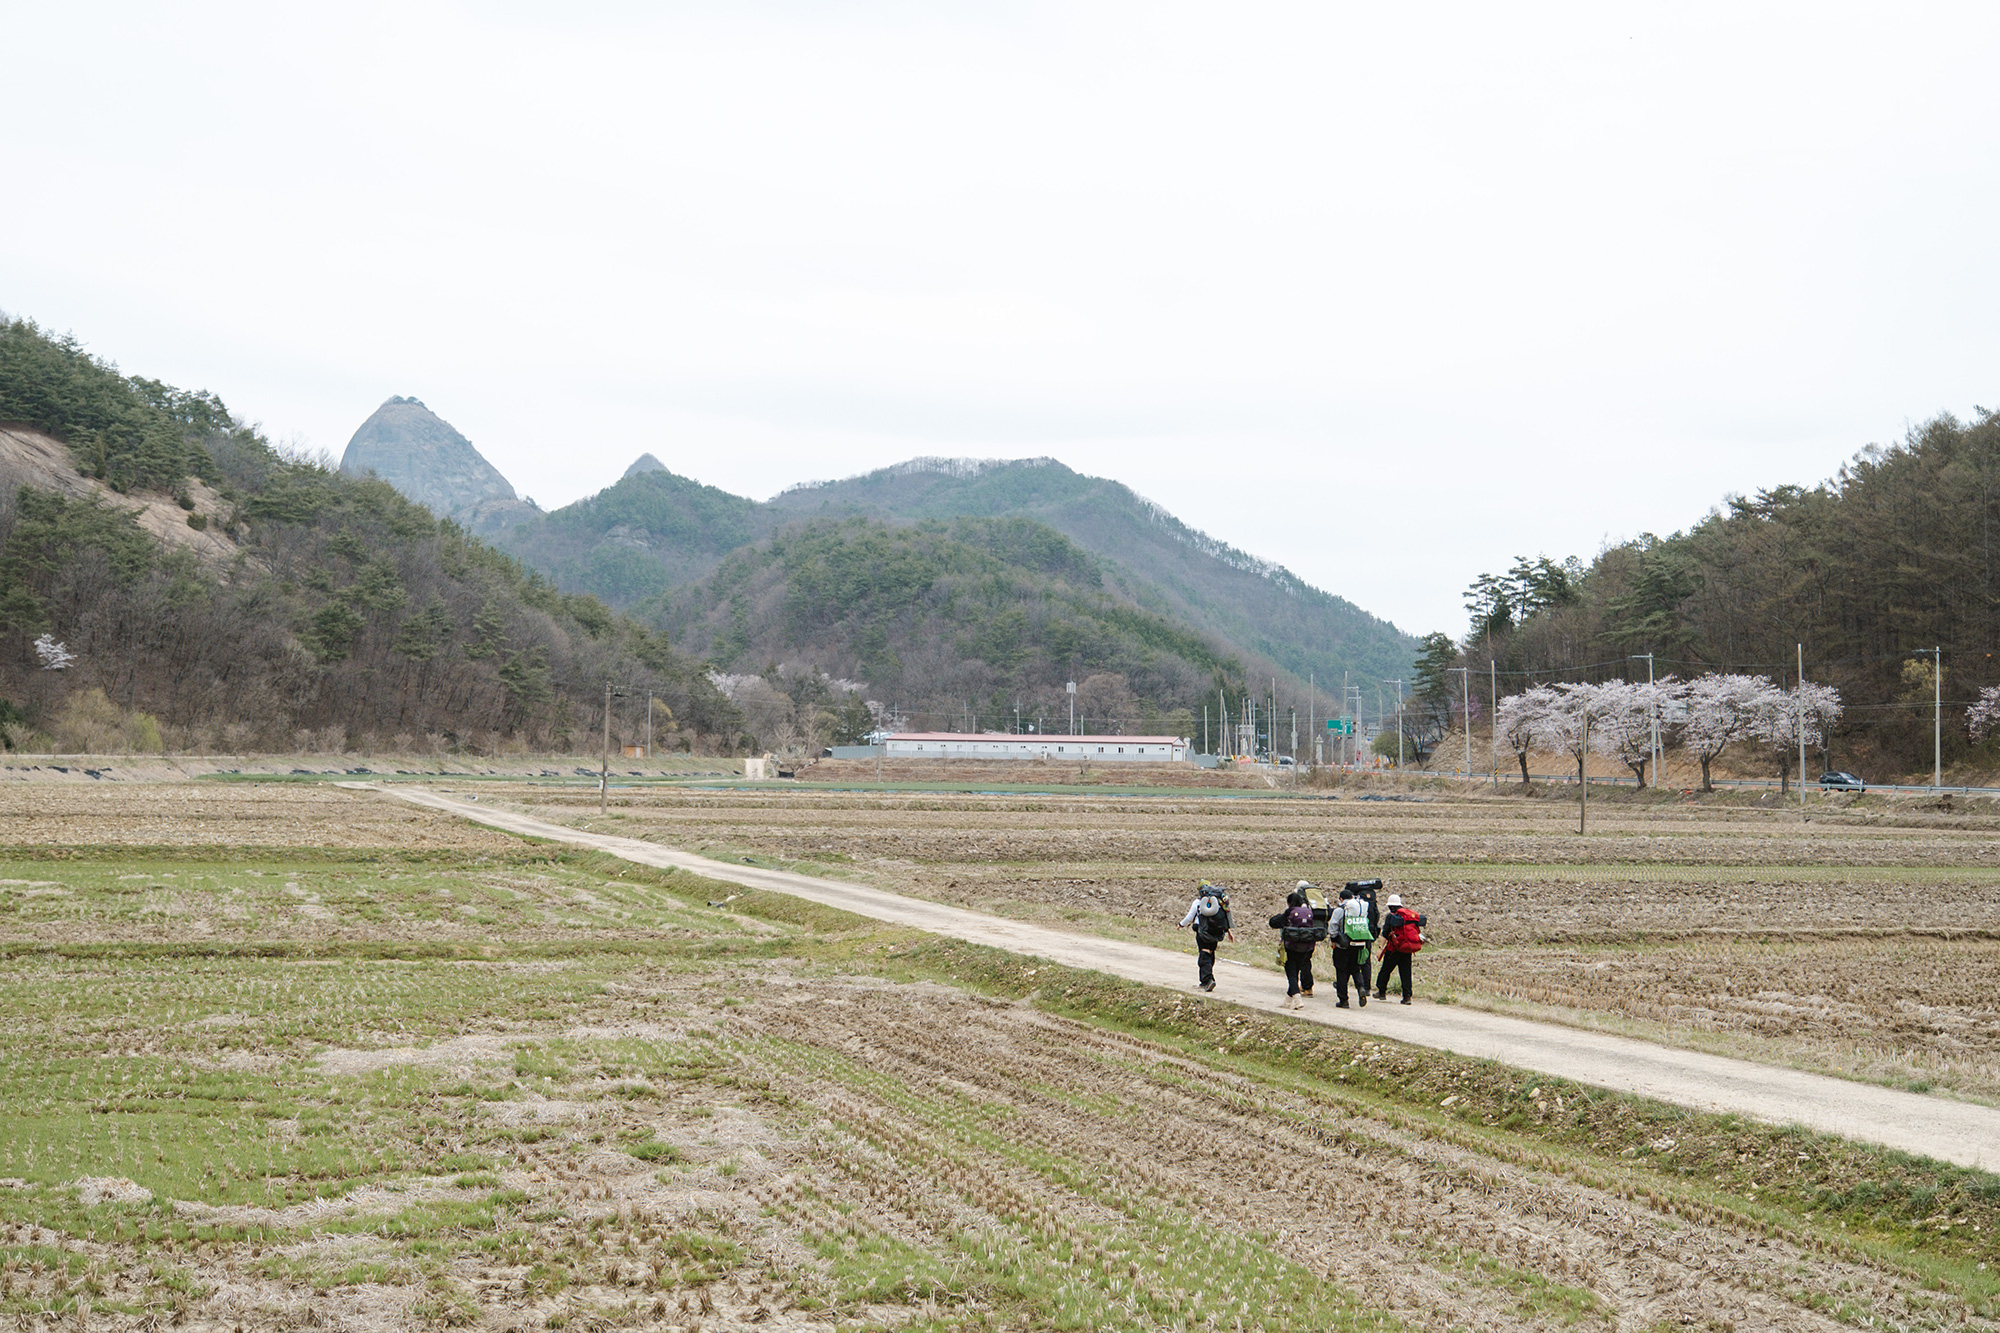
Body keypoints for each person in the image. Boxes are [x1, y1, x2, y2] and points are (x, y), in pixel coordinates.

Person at [1267, 890, 1320, 1009]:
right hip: (1306, 947)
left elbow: (1273, 923)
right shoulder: (1308, 912)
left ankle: (1297, 999)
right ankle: (1287, 1001)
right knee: (1295, 972)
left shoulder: (1290, 912)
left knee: (1291, 973)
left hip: (1291, 947)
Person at [1178, 881, 1233, 992]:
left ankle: (1208, 980)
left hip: (1202, 931)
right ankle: (1205, 980)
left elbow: (1190, 916)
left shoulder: (1198, 902)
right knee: (1210, 953)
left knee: (1204, 954)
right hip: (1216, 932)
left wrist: (1181, 924)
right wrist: (1228, 931)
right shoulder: (1218, 901)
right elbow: (1225, 916)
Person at [1374, 893, 1427, 1004]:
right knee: (1406, 972)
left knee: (1385, 970)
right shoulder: (1409, 915)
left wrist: (1380, 948)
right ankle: (1407, 997)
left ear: (1390, 906)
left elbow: (1385, 933)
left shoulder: (1391, 916)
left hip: (1394, 949)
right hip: (1407, 948)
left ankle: (1381, 992)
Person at [1329, 886, 1372, 1008]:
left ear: (1341, 899)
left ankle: (1344, 1000)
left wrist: (1334, 939)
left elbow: (1332, 927)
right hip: (1357, 944)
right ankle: (1361, 987)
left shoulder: (1340, 910)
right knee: (1355, 969)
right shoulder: (1360, 910)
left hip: (1342, 946)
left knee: (1341, 972)